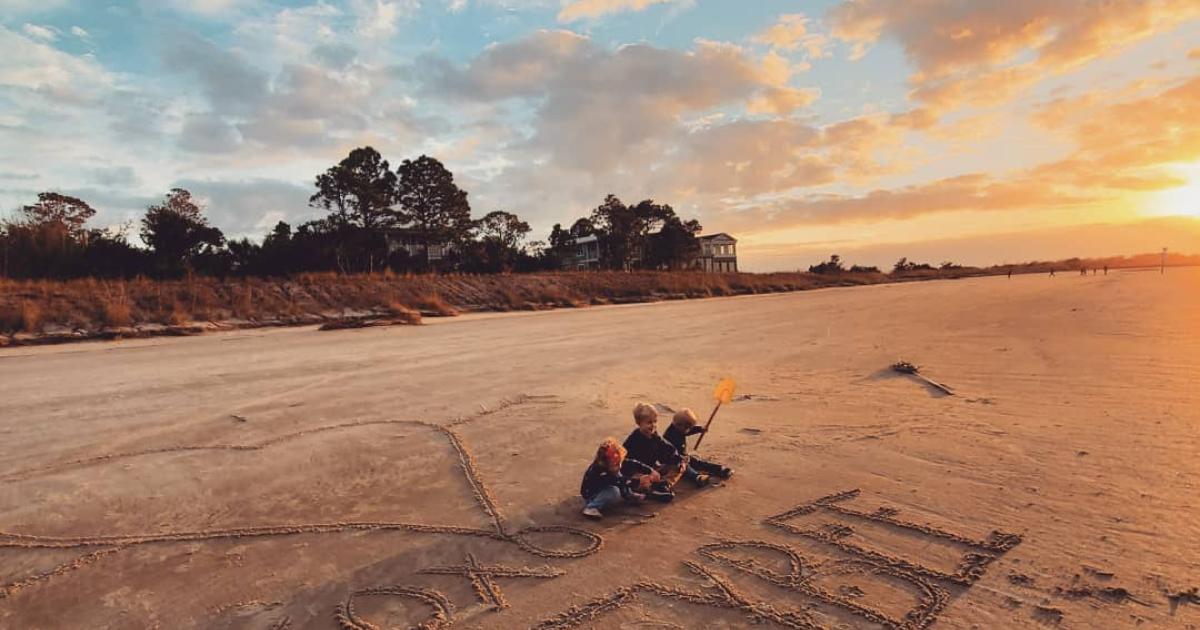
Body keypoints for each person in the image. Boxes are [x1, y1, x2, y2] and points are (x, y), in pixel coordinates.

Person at [622, 403, 684, 501]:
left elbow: (668, 447)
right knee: (640, 481)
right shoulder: (634, 439)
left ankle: (664, 485)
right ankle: (651, 491)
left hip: (654, 470)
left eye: (655, 421)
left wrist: (676, 457)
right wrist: (645, 473)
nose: (653, 425)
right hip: (639, 472)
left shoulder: (655, 436)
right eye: (649, 422)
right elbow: (625, 462)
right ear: (639, 423)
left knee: (680, 465)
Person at [579, 438, 650, 519]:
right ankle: (591, 507)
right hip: (591, 495)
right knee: (614, 491)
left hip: (603, 486)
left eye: (619, 462)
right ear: (605, 463)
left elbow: (631, 463)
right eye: (616, 464)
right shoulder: (601, 472)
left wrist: (650, 471)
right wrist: (637, 482)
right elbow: (619, 481)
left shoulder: (609, 465)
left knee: (619, 474)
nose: (619, 466)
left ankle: (629, 495)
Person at [664, 408, 733, 486]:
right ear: (679, 425)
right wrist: (681, 458)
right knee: (685, 468)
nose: (689, 429)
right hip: (673, 461)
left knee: (697, 462)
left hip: (683, 456)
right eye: (687, 428)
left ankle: (719, 469)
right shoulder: (670, 436)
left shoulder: (679, 428)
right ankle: (696, 477)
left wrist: (700, 429)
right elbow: (669, 453)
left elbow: (689, 431)